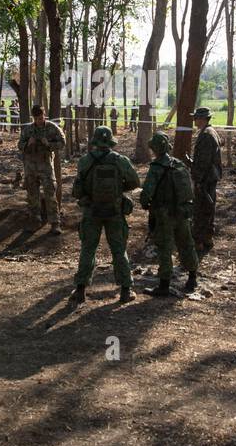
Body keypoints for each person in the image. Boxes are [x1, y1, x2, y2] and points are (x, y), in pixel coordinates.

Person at [69, 126, 139, 304]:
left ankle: (80, 290)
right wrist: (118, 191)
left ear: (95, 141)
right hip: (114, 211)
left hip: (92, 211)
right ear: (110, 142)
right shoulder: (120, 160)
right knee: (118, 250)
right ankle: (125, 290)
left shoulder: (84, 161)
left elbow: (77, 189)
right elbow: (134, 181)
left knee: (88, 249)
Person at [141, 131, 198, 297]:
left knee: (165, 247)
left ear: (155, 148)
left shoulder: (156, 167)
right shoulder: (179, 164)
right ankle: (192, 278)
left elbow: (147, 192)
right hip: (182, 212)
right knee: (186, 243)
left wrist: (145, 203)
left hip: (164, 214)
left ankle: (164, 285)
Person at [18, 104, 64, 233]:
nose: (39, 120)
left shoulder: (52, 128)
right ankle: (35, 220)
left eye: (41, 117)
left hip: (45, 166)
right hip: (30, 166)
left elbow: (62, 143)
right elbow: (19, 145)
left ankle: (55, 223)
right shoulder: (28, 130)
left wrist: (48, 144)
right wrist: (28, 144)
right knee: (32, 194)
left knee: (50, 193)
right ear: (33, 117)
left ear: (44, 115)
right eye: (36, 118)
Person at [189, 106, 222, 253]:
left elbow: (203, 162)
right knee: (207, 209)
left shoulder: (207, 135)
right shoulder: (209, 132)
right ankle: (207, 238)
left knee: (201, 210)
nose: (194, 120)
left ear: (202, 119)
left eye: (196, 118)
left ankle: (199, 243)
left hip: (205, 179)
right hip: (209, 177)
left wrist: (198, 180)